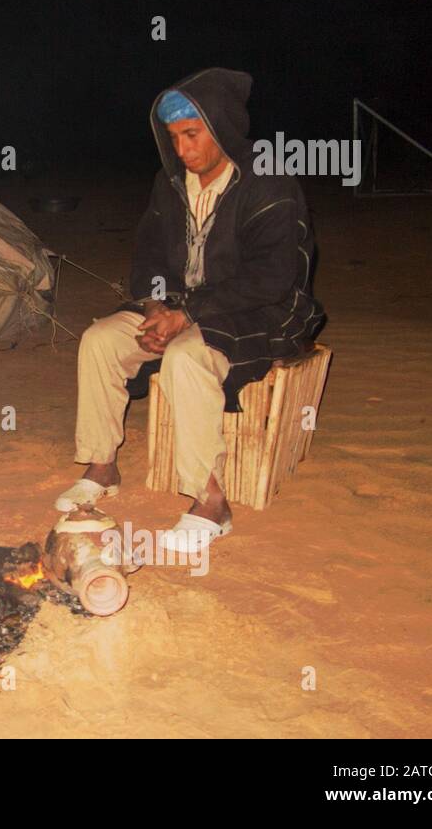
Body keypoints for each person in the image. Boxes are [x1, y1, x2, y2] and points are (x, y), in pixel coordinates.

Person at [58, 68, 324, 554]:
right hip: (184, 308)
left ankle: (211, 501)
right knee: (100, 340)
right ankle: (101, 465)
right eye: (174, 137)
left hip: (262, 310)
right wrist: (158, 306)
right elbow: (150, 257)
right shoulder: (171, 182)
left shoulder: (269, 181)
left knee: (184, 355)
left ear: (222, 125)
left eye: (192, 134)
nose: (182, 150)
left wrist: (186, 316)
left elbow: (272, 277)